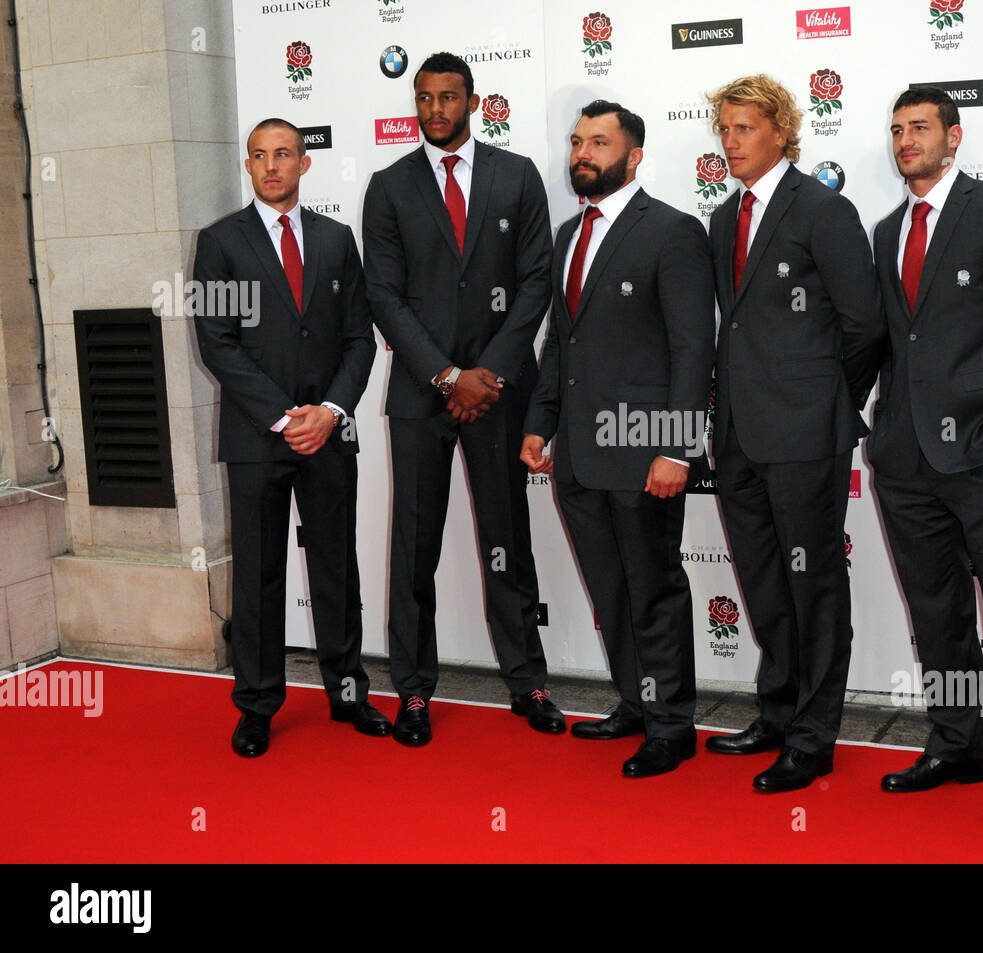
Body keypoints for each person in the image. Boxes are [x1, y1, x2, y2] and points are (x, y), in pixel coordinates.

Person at [869, 86, 983, 833]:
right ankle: (955, 744)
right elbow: (892, 343)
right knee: (937, 616)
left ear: (954, 136)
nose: (905, 140)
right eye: (896, 130)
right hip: (906, 459)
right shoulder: (888, 230)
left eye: (919, 127)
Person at [362, 52, 561, 746]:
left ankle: (528, 679)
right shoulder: (388, 188)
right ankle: (413, 691)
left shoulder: (517, 175)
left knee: (508, 541)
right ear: (415, 104)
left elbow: (537, 280)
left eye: (449, 96)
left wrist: (491, 375)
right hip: (423, 398)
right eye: (425, 98)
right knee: (414, 547)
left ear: (474, 101)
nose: (436, 108)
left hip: (501, 396)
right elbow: (384, 296)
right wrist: (448, 376)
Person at [521, 101, 714, 777]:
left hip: (644, 452)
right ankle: (636, 701)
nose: (583, 152)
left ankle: (671, 723)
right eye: (577, 140)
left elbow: (694, 349)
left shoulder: (673, 231)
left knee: (653, 589)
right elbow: (558, 343)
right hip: (577, 454)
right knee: (612, 590)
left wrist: (676, 447)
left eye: (598, 142)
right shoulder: (569, 233)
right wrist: (540, 422)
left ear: (633, 156)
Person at [703, 75, 883, 792]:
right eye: (723, 129)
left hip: (807, 432)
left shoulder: (823, 210)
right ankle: (778, 714)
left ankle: (814, 736)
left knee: (813, 587)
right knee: (765, 581)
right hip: (740, 434)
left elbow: (865, 323)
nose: (729, 142)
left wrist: (824, 401)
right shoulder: (724, 218)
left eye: (743, 128)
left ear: (781, 131)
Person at [194, 118, 389, 757]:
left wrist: (329, 410)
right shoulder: (219, 242)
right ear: (247, 165)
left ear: (305, 164)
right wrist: (285, 416)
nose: (271, 166)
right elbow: (216, 343)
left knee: (336, 566)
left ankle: (348, 693)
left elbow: (360, 336)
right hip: (257, 439)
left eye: (284, 155)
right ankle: (256, 706)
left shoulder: (336, 241)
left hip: (328, 434)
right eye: (260, 156)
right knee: (257, 575)